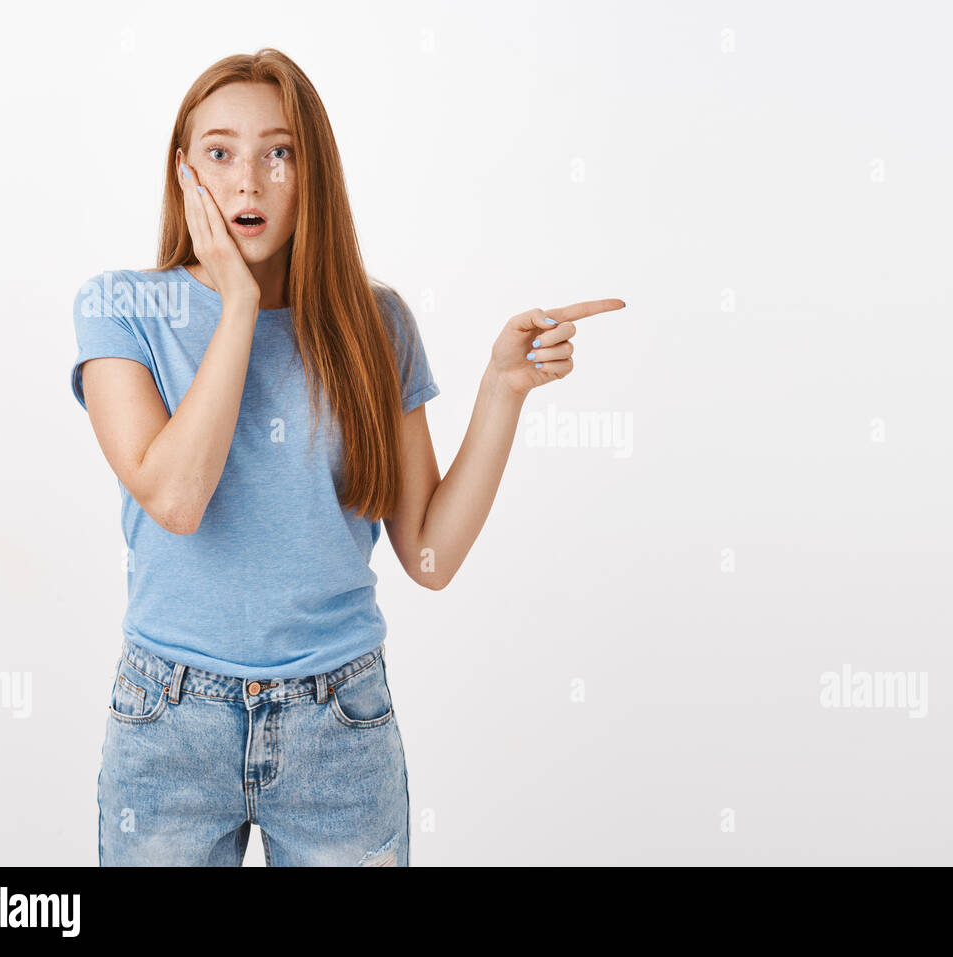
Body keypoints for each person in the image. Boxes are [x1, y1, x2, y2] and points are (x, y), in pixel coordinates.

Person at [70, 48, 624, 866]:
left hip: (340, 723)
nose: (248, 182)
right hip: (169, 719)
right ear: (183, 173)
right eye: (220, 153)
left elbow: (429, 555)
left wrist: (502, 390)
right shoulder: (122, 309)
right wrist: (240, 307)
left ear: (312, 172)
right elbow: (176, 497)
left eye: (278, 152)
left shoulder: (377, 323)